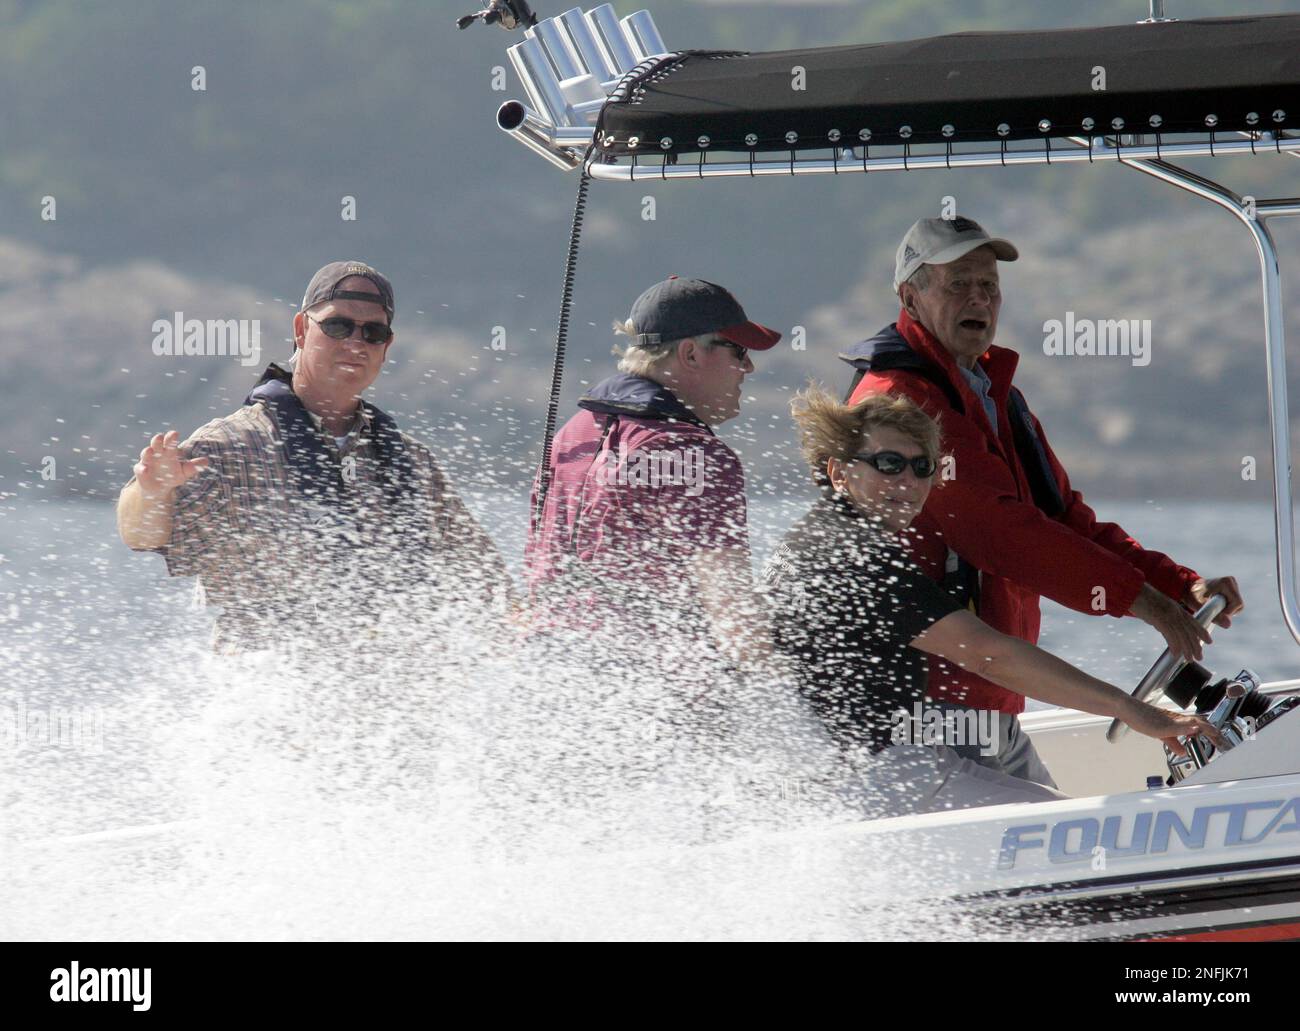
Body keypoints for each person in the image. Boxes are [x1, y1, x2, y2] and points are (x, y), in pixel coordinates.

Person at [839, 216, 1243, 788]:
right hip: (934, 706)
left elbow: (1064, 519)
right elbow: (1005, 536)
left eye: (989, 285)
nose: (979, 297)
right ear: (910, 295)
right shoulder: (901, 401)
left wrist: (1179, 585)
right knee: (1051, 862)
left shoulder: (991, 393)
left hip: (989, 699)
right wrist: (1146, 603)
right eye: (957, 283)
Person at [764, 385, 1222, 817]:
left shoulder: (816, 535)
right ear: (839, 472)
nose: (907, 481)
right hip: (882, 781)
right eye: (888, 463)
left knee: (1062, 813)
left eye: (921, 467)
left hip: (851, 772)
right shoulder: (854, 554)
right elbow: (989, 655)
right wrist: (1129, 708)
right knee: (1074, 831)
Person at [116, 260, 512, 654]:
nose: (356, 343)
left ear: (386, 347)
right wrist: (153, 491)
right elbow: (143, 536)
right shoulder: (232, 446)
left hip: (397, 688)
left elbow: (484, 579)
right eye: (338, 326)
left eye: (373, 332)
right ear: (302, 330)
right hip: (270, 688)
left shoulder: (412, 462)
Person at [525, 275, 780, 664]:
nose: (749, 367)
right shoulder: (695, 454)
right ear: (691, 354)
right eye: (738, 351)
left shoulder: (571, 434)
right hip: (648, 689)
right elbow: (734, 614)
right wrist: (777, 698)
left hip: (544, 666)